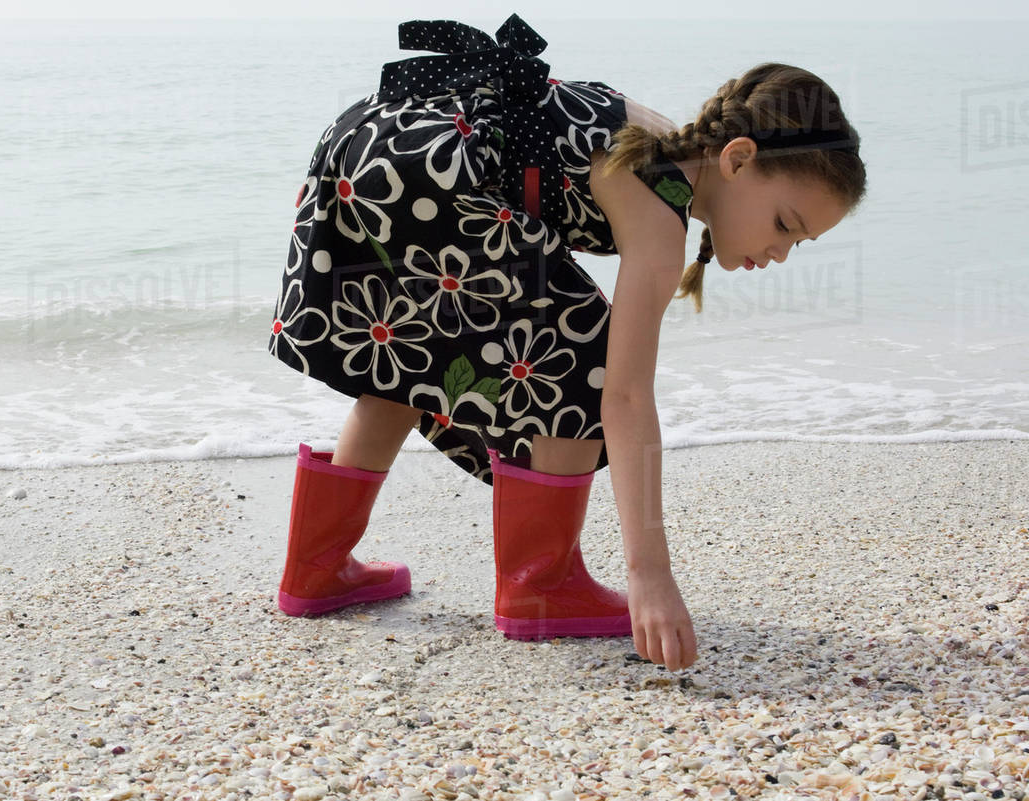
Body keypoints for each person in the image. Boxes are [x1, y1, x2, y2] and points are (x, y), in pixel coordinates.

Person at [267, 14, 866, 672]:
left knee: (411, 357)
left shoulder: (665, 140)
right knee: (582, 350)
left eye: (798, 242)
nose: (779, 251)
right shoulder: (659, 203)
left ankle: (316, 567)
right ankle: (539, 585)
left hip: (380, 146)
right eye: (784, 222)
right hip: (435, 165)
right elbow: (628, 396)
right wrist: (651, 574)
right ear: (738, 157)